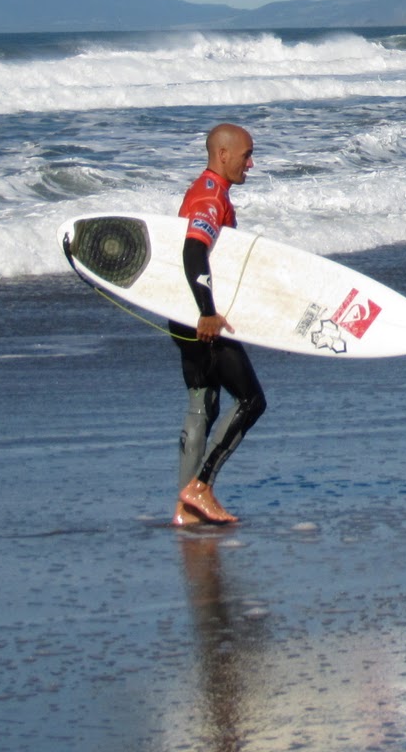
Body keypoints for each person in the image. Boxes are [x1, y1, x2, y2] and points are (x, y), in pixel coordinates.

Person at [170, 122, 267, 526]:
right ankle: (201, 486)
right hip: (202, 317)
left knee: (202, 404)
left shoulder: (203, 191)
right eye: (247, 155)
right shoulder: (211, 197)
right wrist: (208, 311)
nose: (251, 163)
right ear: (223, 155)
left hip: (180, 313)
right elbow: (194, 250)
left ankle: (186, 508)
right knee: (251, 401)